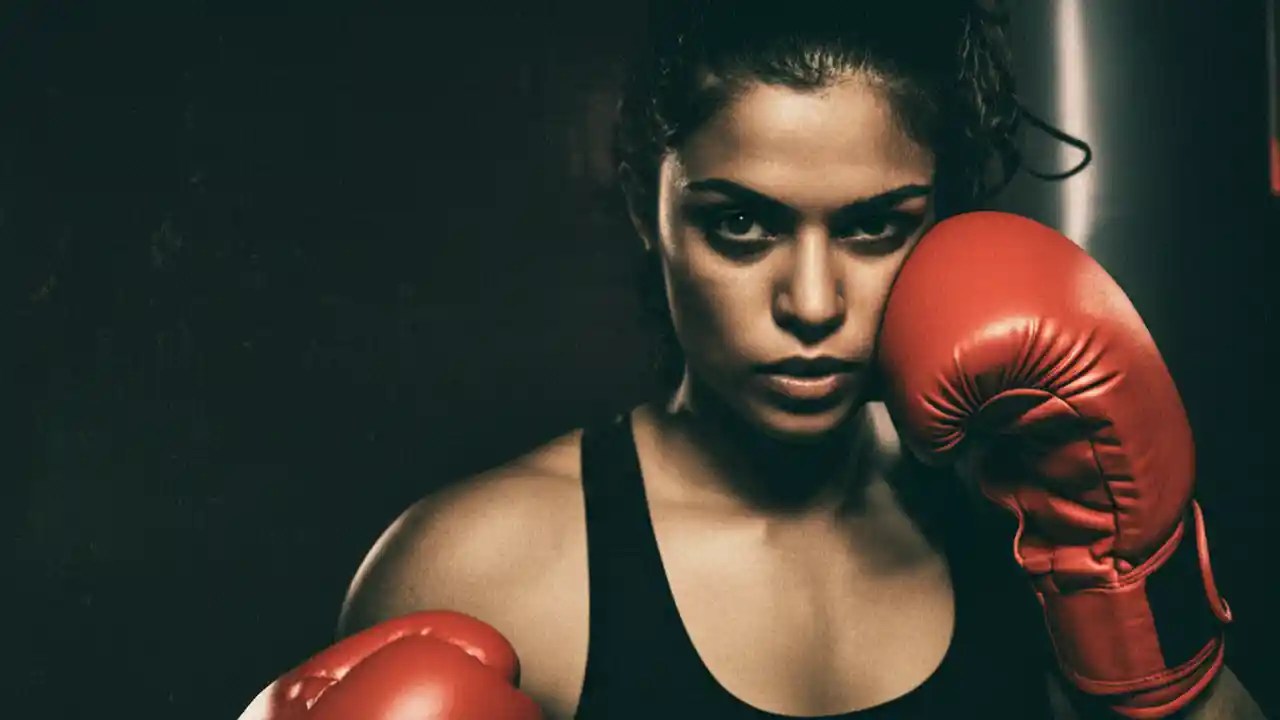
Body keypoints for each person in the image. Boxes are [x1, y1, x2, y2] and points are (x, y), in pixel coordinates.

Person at [238, 2, 1266, 718]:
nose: (809, 304)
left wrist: (1134, 602)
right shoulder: (483, 565)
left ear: (943, 221)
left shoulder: (1031, 523)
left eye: (873, 227)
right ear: (650, 204)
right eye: (739, 224)